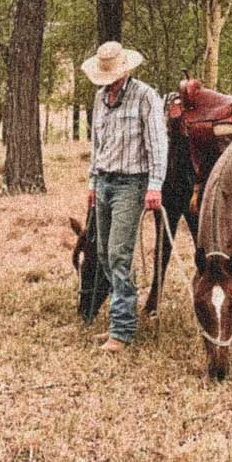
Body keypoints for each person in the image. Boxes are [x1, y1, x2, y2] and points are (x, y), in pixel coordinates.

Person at [81, 40, 167, 353]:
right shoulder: (100, 98)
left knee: (119, 252)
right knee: (105, 253)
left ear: (124, 70)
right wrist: (93, 181)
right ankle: (121, 318)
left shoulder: (145, 96)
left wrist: (155, 184)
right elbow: (97, 143)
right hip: (104, 179)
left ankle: (122, 330)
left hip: (131, 184)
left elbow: (157, 143)